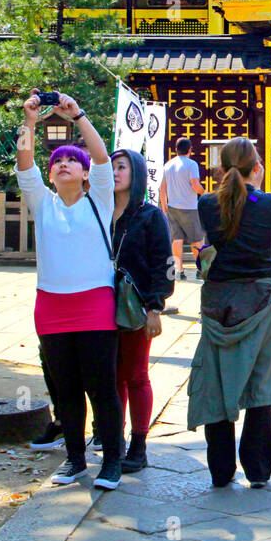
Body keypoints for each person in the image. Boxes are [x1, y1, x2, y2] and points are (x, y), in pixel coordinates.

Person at [16, 91, 124, 491]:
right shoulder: (43, 204)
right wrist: (29, 122)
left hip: (95, 304)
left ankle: (112, 460)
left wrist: (76, 114)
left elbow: (101, 157)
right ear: (51, 174)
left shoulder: (98, 199)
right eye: (57, 161)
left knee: (102, 387)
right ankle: (75, 459)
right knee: (65, 390)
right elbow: (23, 166)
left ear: (83, 175)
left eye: (70, 162)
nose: (63, 165)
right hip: (51, 307)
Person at [190, 137, 271, 488]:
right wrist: (257, 189)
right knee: (261, 380)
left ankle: (220, 469)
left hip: (219, 300)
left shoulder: (206, 204)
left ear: (221, 167)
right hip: (260, 297)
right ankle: (258, 468)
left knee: (217, 382)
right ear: (256, 167)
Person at [109, 148, 175, 474]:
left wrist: (155, 306)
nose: (115, 172)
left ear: (135, 173)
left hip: (135, 307)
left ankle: (139, 442)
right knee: (112, 377)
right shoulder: (101, 213)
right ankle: (113, 438)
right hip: (100, 306)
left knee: (135, 375)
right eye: (111, 167)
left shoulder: (150, 216)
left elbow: (164, 264)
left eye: (122, 167)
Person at [159, 137, 206, 281]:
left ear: (175, 150)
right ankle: (200, 269)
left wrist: (164, 207)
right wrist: (205, 193)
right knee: (196, 240)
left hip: (172, 207)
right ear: (190, 150)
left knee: (177, 240)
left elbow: (162, 188)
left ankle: (179, 270)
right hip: (189, 207)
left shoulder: (168, 165)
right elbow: (195, 185)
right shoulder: (191, 165)